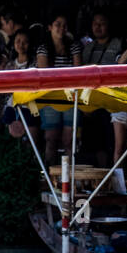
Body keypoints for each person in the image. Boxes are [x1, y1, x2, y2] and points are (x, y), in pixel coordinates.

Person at [35, 18, 81, 164]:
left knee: (69, 140)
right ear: (50, 27)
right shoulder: (43, 48)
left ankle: (70, 176)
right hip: (50, 97)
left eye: (64, 25)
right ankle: (50, 176)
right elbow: (43, 74)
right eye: (57, 25)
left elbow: (78, 73)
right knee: (51, 138)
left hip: (71, 98)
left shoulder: (73, 47)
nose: (61, 28)